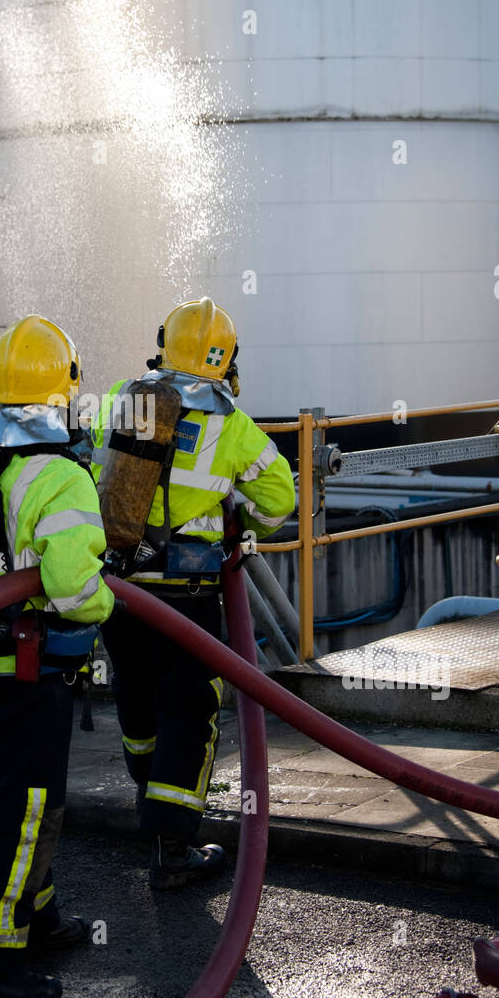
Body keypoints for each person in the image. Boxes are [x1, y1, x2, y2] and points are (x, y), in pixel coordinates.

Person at [92, 298, 295, 889]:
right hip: (188, 596)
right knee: (191, 709)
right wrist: (243, 516)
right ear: (226, 360)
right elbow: (278, 501)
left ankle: (148, 804)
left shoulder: (119, 400)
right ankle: (173, 850)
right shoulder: (231, 426)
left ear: (164, 343)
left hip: (121, 589)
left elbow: (85, 460)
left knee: (135, 692)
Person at [0, 314, 114, 998]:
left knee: (12, 804)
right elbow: (75, 591)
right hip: (30, 673)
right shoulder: (58, 477)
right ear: (62, 391)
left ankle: (34, 915)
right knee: (21, 811)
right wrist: (109, 603)